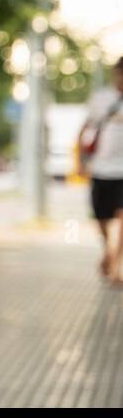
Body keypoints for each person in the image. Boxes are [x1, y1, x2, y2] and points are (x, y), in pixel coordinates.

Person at [79, 57, 123, 283]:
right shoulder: (101, 99)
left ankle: (115, 267)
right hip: (101, 169)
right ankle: (109, 252)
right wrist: (80, 161)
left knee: (121, 219)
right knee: (102, 219)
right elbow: (85, 129)